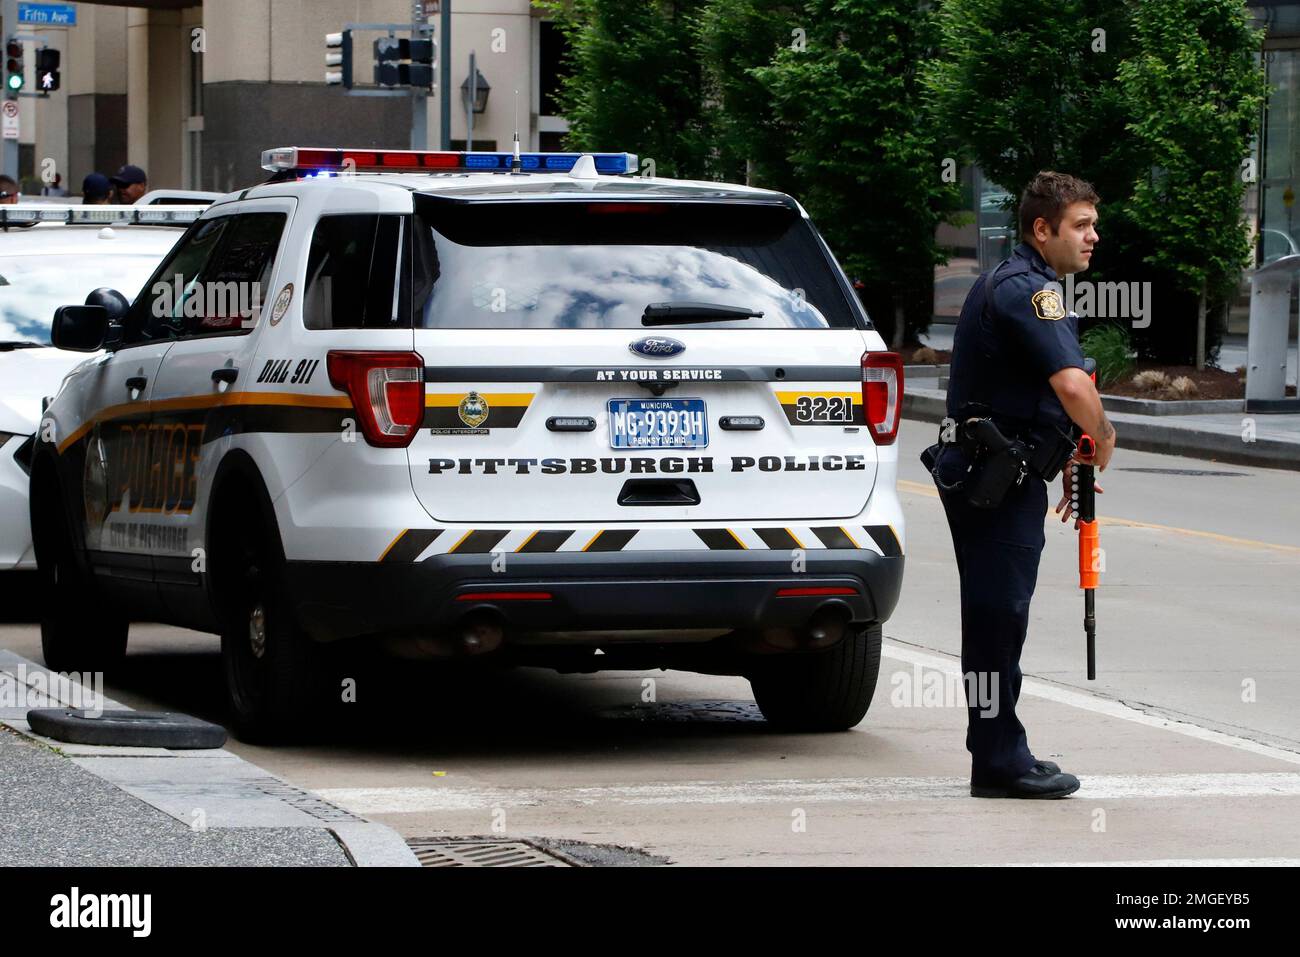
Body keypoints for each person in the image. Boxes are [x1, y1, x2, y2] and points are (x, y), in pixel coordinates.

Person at [923, 170, 1116, 799]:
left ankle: (999, 751)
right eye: (1081, 225)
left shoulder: (1026, 285)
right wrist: (1105, 438)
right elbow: (1071, 384)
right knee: (996, 620)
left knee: (998, 618)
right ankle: (999, 760)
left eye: (1092, 224)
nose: (1093, 236)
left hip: (1003, 473)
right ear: (1043, 228)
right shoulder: (1029, 290)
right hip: (990, 480)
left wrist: (1066, 452)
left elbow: (1032, 394)